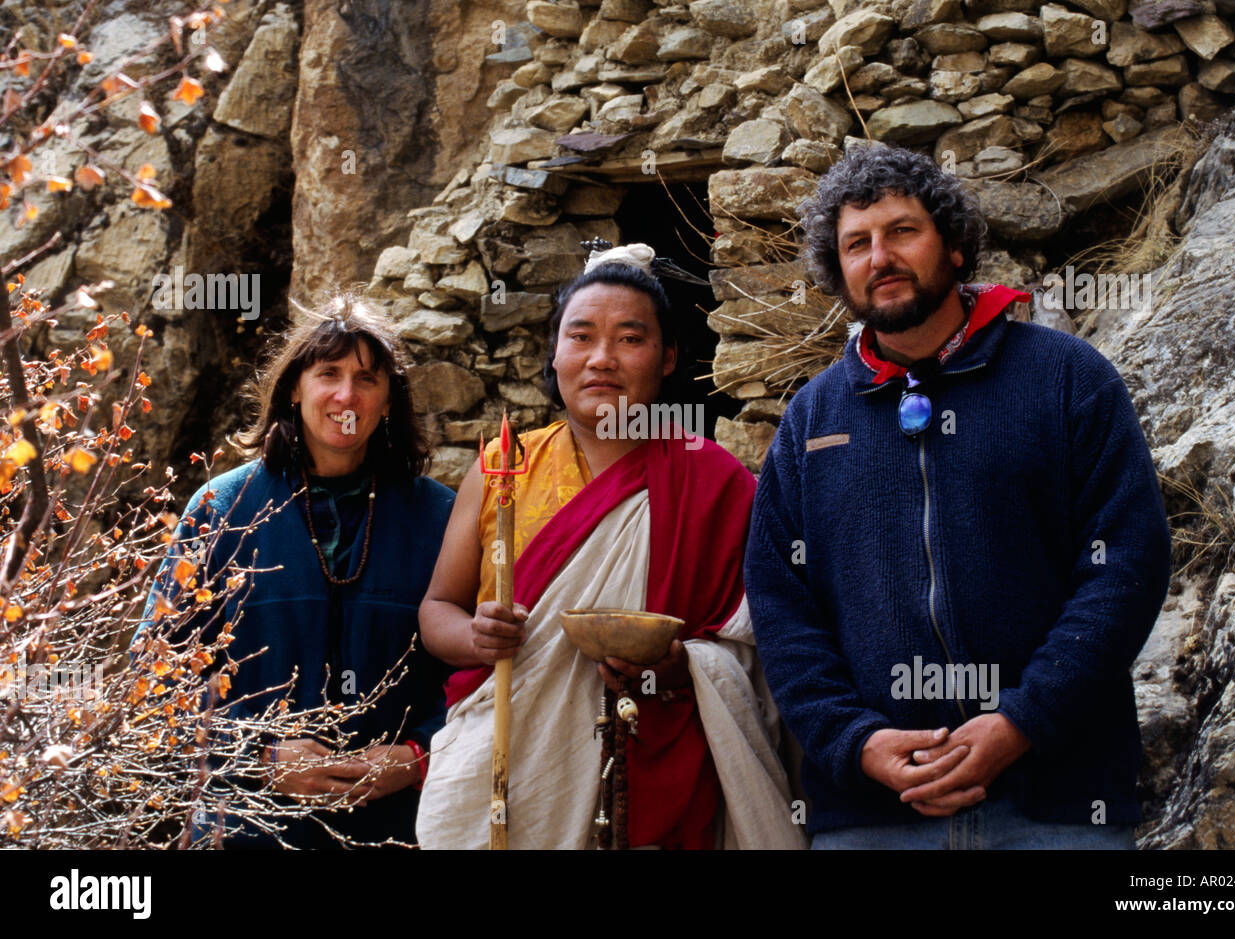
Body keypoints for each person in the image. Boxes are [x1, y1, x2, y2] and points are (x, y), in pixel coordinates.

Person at [744, 145, 1172, 849]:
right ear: (838, 268)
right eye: (857, 243)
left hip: (1057, 806)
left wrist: (1022, 721)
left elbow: (1126, 564)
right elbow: (781, 603)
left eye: (902, 231)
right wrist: (857, 741)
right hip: (875, 817)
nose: (879, 256)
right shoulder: (811, 421)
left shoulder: (1067, 379)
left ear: (954, 246)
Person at [414, 245, 805, 849]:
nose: (602, 359)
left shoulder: (715, 479)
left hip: (661, 767)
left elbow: (768, 644)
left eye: (630, 339)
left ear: (669, 357)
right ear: (555, 354)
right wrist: (476, 637)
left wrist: (686, 669)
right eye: (581, 337)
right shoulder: (502, 469)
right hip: (509, 768)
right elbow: (438, 608)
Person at [142, 294, 455, 847]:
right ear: (294, 387)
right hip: (242, 830)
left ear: (389, 399)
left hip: (399, 831)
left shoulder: (440, 518)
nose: (345, 395)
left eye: (367, 378)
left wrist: (419, 756)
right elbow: (156, 678)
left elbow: (479, 675)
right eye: (328, 373)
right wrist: (259, 756)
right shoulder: (223, 510)